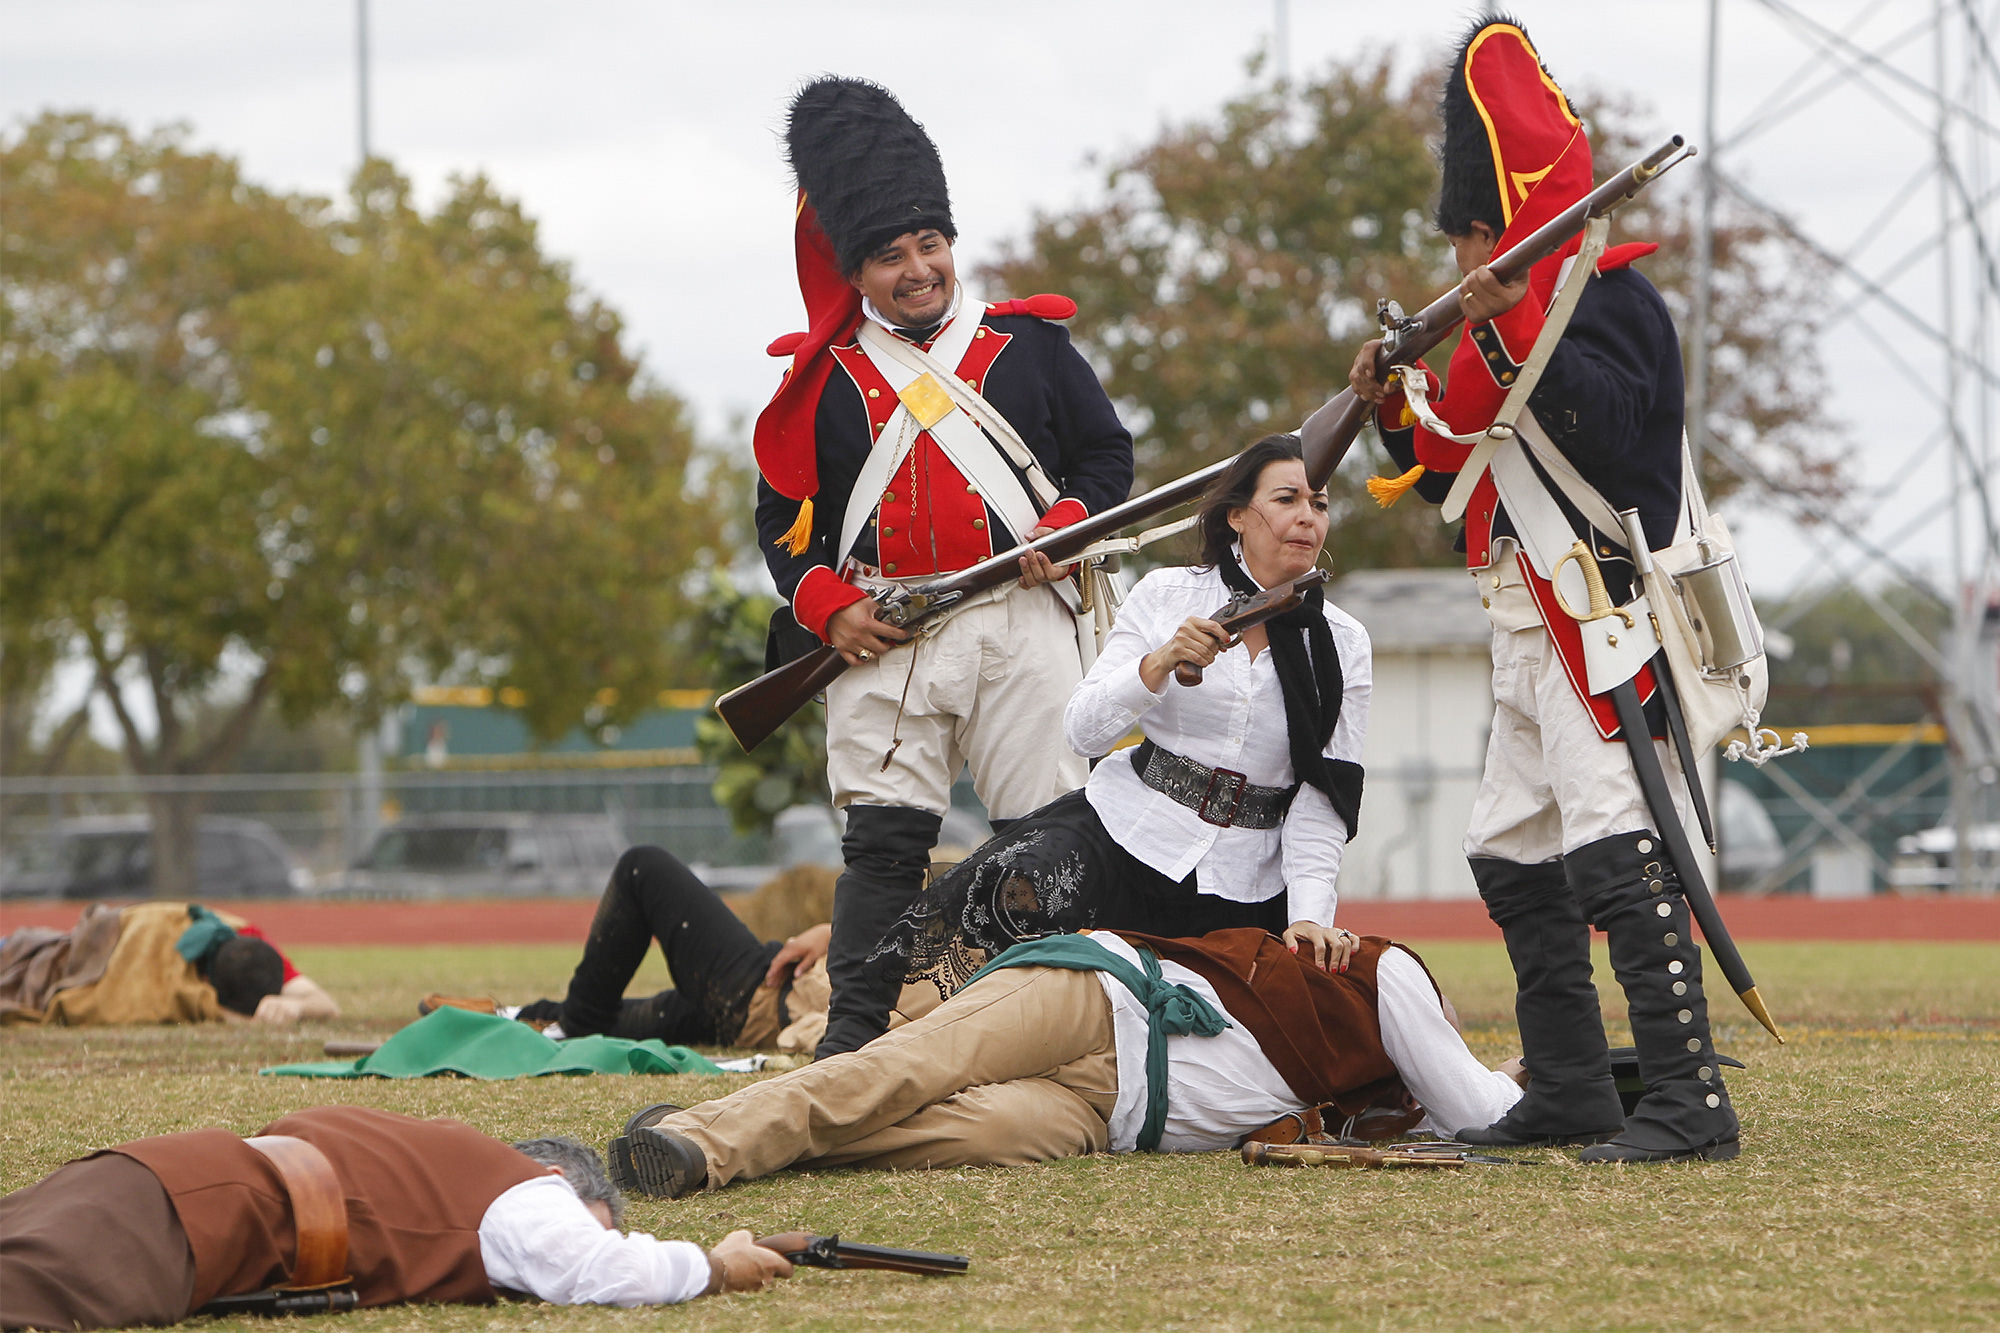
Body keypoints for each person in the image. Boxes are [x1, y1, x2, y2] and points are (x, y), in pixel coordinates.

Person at [1344, 17, 1737, 1164]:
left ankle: (1686, 1098)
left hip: (1595, 619)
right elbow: (1446, 469)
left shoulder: (1604, 300)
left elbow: (1617, 440)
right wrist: (1385, 397)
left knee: (1617, 844)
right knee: (1510, 852)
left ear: (1507, 218)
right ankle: (1568, 1084)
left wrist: (1508, 316)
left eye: (1475, 227)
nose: (1464, 248)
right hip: (1521, 621)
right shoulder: (1506, 311)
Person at [752, 77, 1134, 1057]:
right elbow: (782, 520)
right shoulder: (823, 379)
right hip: (887, 632)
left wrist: (1065, 521)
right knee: (881, 849)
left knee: (1046, 837)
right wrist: (829, 607)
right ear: (858, 270)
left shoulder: (1030, 345)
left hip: (1018, 616)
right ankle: (849, 1041)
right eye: (890, 254)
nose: (918, 269)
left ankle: (1047, 1036)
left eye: (929, 244)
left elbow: (1104, 460)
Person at [877, 434, 1369, 999]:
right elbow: (1083, 729)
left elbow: (1326, 796)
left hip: (1248, 873)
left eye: (1321, 504)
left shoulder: (1347, 643)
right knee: (1013, 900)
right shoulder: (1164, 594)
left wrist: (1308, 912)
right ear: (1237, 515)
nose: (1307, 517)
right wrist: (1158, 664)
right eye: (1287, 499)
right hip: (1129, 835)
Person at [606, 927, 1526, 1198]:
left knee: (961, 1135)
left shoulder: (1388, 1101)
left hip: (1108, 1115)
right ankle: (705, 1141)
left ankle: (742, 1137)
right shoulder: (1392, 973)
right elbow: (1485, 1112)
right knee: (905, 1068)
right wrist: (1541, 1077)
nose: (1442, 1026)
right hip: (1101, 991)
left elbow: (1452, 1114)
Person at [0, 1106, 790, 1330]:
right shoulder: (520, 1188)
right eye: (593, 1220)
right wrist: (714, 1265)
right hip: (173, 1220)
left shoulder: (424, 1160)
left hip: (143, 1189)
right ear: (556, 1180)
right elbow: (595, 1269)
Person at [428, 845, 932, 1055]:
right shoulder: (975, 929)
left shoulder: (979, 982)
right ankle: (511, 1015)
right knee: (623, 1020)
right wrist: (828, 931)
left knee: (642, 868)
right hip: (762, 997)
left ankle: (572, 1022)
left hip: (762, 995)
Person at [0, 900, 338, 1027]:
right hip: (85, 942)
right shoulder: (223, 935)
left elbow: (328, 1005)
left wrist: (294, 1007)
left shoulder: (260, 951)